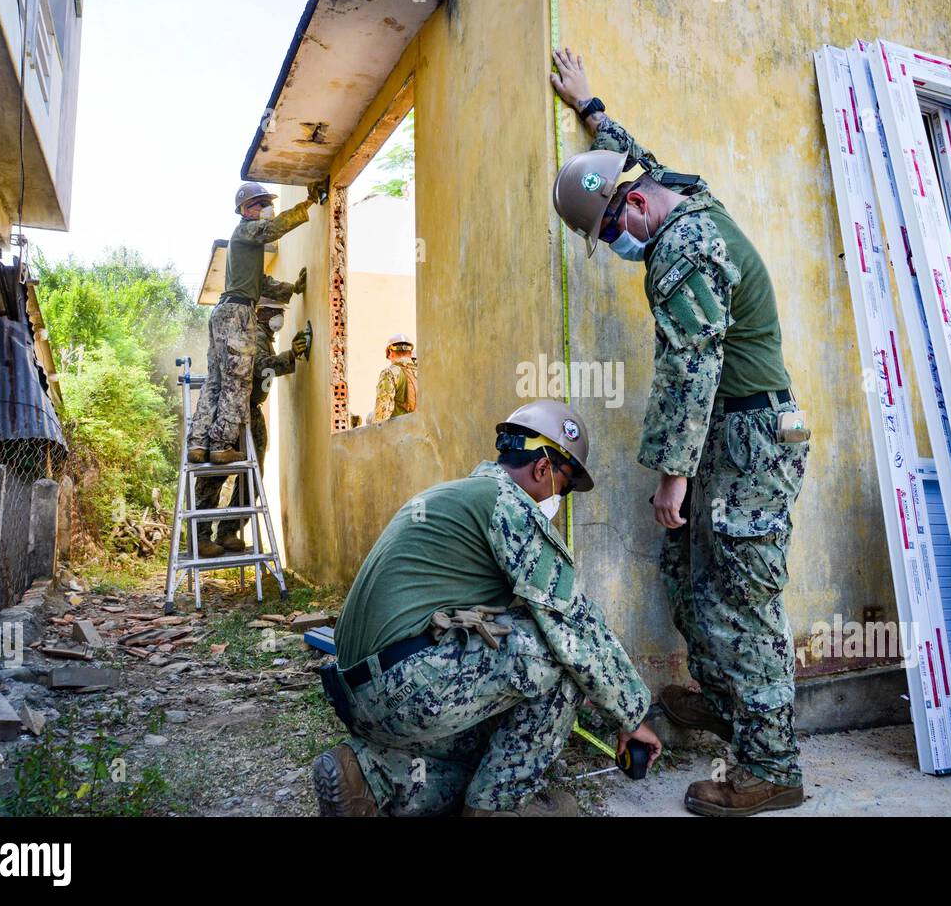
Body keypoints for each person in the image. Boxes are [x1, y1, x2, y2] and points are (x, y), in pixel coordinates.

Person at [549, 47, 810, 816]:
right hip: (729, 437)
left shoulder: (681, 253)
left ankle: (771, 766)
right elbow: (633, 158)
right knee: (690, 582)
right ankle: (729, 703)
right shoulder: (674, 196)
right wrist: (591, 107)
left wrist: (673, 476)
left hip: (750, 437)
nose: (619, 250)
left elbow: (691, 369)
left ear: (631, 209)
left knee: (742, 601)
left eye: (611, 233)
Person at [312, 400, 661, 817]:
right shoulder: (506, 505)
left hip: (361, 696)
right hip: (405, 688)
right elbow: (574, 627)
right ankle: (494, 808)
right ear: (543, 469)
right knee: (562, 657)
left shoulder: (457, 496)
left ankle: (370, 778)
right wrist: (631, 716)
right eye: (565, 487)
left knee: (487, 752)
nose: (561, 500)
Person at [187, 180, 319, 464]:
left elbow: (259, 282)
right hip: (237, 313)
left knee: (217, 380)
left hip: (224, 311)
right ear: (245, 209)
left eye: (267, 203)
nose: (266, 208)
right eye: (260, 204)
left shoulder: (244, 242)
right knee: (237, 380)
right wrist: (306, 205)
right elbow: (272, 229)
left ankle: (198, 443)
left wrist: (292, 288)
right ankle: (221, 444)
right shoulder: (247, 230)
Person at [193, 298, 313, 558]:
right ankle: (200, 537)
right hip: (234, 411)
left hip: (250, 413)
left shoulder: (263, 335)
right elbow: (260, 368)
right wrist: (289, 356)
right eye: (275, 312)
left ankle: (227, 530)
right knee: (215, 475)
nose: (278, 316)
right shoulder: (255, 334)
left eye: (280, 312)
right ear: (261, 312)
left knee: (252, 476)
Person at [372, 333, 418, 422]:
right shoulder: (421, 373)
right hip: (418, 430)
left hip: (398, 432)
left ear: (390, 353)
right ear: (410, 353)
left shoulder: (390, 373)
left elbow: (382, 412)